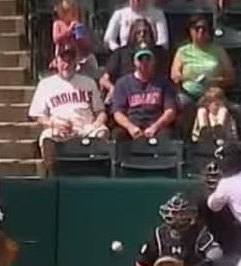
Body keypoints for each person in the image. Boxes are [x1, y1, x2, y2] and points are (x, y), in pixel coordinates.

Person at [29, 43, 106, 173]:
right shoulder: (46, 84)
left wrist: (96, 124)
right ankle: (52, 176)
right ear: (56, 61)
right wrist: (53, 123)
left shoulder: (88, 82)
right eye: (63, 60)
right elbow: (36, 115)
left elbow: (101, 111)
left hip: (86, 128)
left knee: (102, 132)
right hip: (60, 128)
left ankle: (96, 174)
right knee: (47, 138)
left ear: (76, 62)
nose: (66, 64)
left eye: (70, 60)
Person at [109, 46, 179, 141]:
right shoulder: (122, 83)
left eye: (148, 59)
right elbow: (118, 113)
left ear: (154, 62)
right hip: (132, 125)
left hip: (157, 126)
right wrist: (131, 127)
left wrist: (155, 127)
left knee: (167, 136)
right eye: (140, 59)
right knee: (118, 135)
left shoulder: (164, 83)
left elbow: (170, 111)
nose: (144, 63)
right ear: (134, 62)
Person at [170, 15, 235, 113]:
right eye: (197, 28)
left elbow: (231, 77)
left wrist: (215, 81)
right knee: (183, 103)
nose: (200, 31)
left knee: (216, 105)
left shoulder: (218, 51)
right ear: (190, 31)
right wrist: (189, 77)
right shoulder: (182, 51)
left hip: (212, 93)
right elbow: (174, 76)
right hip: (188, 93)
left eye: (204, 29)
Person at [101, 18, 167, 94]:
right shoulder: (121, 52)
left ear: (151, 34)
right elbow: (104, 79)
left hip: (155, 92)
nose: (142, 35)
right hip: (125, 92)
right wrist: (113, 89)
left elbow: (167, 78)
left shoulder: (160, 52)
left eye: (145, 32)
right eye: (138, 32)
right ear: (133, 34)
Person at [103, 0, 169, 54]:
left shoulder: (157, 14)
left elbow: (163, 41)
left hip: (150, 56)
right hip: (124, 56)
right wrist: (120, 52)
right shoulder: (119, 14)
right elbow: (109, 40)